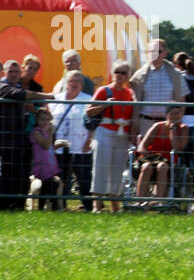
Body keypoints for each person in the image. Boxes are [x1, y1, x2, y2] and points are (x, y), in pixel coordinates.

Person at [0, 59, 54, 210]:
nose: (14, 74)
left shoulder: (15, 86)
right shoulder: (1, 87)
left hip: (18, 140)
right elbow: (21, 95)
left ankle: (17, 204)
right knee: (4, 174)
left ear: (20, 73)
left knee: (18, 174)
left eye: (17, 72)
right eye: (11, 72)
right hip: (4, 140)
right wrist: (47, 96)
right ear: (4, 73)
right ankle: (3, 205)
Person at [86, 60, 135, 213]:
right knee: (101, 166)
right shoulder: (103, 91)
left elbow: (132, 114)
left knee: (118, 168)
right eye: (117, 72)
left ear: (128, 76)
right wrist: (105, 105)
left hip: (122, 133)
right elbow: (89, 111)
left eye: (123, 73)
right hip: (105, 131)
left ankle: (115, 204)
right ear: (112, 74)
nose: (119, 75)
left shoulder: (129, 93)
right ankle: (97, 205)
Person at [49, 71, 93, 210]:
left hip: (81, 146)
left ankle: (89, 206)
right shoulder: (56, 98)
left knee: (84, 179)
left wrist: (89, 140)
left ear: (82, 85)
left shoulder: (88, 99)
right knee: (60, 178)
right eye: (71, 81)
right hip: (59, 146)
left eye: (78, 81)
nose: (74, 83)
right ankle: (59, 206)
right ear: (66, 84)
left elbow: (93, 123)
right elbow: (48, 119)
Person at [129, 38, 187, 140]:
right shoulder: (139, 75)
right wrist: (134, 128)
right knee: (145, 154)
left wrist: (177, 122)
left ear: (165, 53)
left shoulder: (176, 75)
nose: (155, 54)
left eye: (159, 51)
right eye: (152, 51)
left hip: (168, 124)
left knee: (166, 155)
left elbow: (182, 102)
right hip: (145, 123)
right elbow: (133, 104)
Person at [134, 106, 188, 209]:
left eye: (177, 113)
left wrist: (172, 130)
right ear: (167, 115)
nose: (175, 116)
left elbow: (177, 148)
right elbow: (142, 146)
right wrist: (148, 156)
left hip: (169, 160)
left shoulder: (184, 128)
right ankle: (140, 200)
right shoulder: (157, 126)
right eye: (172, 113)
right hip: (151, 157)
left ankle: (159, 200)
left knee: (162, 166)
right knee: (146, 167)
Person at [28, 107, 61, 209]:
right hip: (42, 166)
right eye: (42, 119)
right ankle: (51, 205)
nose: (45, 122)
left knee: (48, 186)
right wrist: (51, 132)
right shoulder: (36, 132)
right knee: (50, 185)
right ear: (37, 120)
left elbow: (49, 148)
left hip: (49, 165)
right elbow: (45, 145)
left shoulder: (46, 133)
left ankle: (44, 206)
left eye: (47, 119)